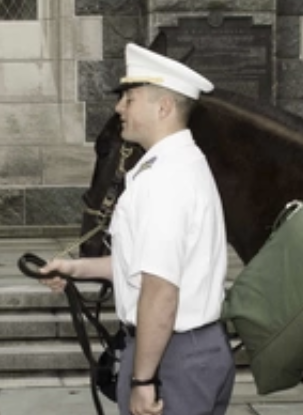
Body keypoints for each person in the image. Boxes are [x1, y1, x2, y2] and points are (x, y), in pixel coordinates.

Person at [39, 43, 234, 415]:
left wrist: (143, 380)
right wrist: (74, 269)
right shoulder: (182, 163)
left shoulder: (164, 180)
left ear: (163, 107)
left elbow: (160, 290)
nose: (118, 108)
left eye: (130, 98)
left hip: (169, 361)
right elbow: (142, 264)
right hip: (190, 351)